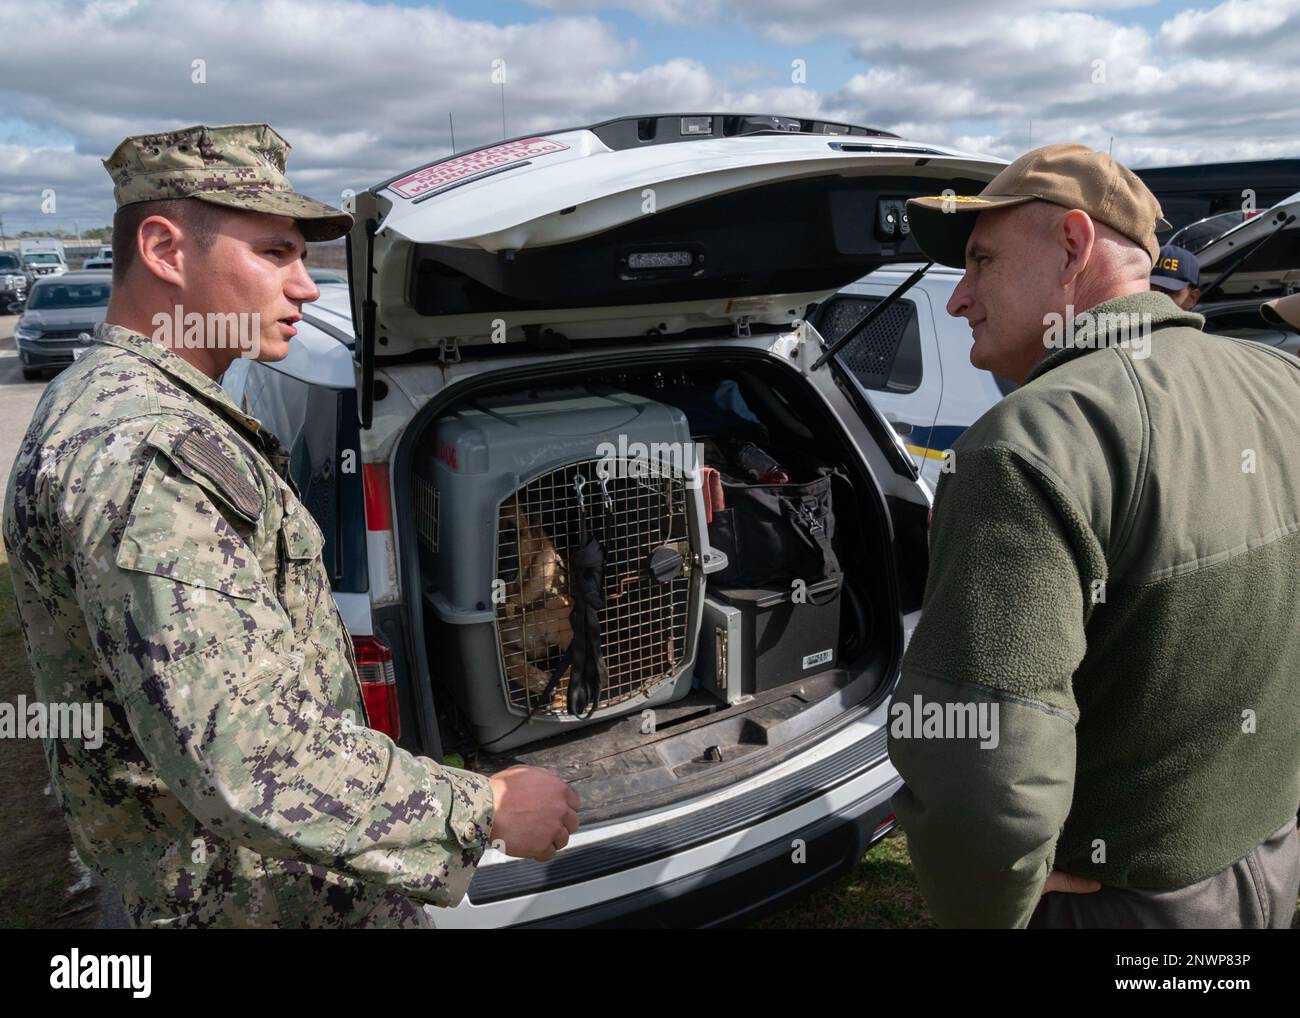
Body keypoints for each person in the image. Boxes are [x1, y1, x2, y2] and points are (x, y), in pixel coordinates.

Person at [1, 123, 579, 929]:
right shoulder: (146, 451)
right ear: (167, 251)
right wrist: (479, 809)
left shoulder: (120, 404)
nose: (306, 286)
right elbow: (243, 753)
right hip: (244, 903)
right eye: (276, 253)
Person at [889, 143, 1300, 928]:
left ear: (1074, 247)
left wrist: (988, 905)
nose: (957, 299)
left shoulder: (1028, 441)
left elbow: (984, 761)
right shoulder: (1280, 382)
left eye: (980, 261)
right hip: (1267, 869)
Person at [1150, 242, 1201, 309]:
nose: (1154, 300)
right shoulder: (1138, 317)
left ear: (1192, 298)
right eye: (1150, 292)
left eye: (1165, 293)